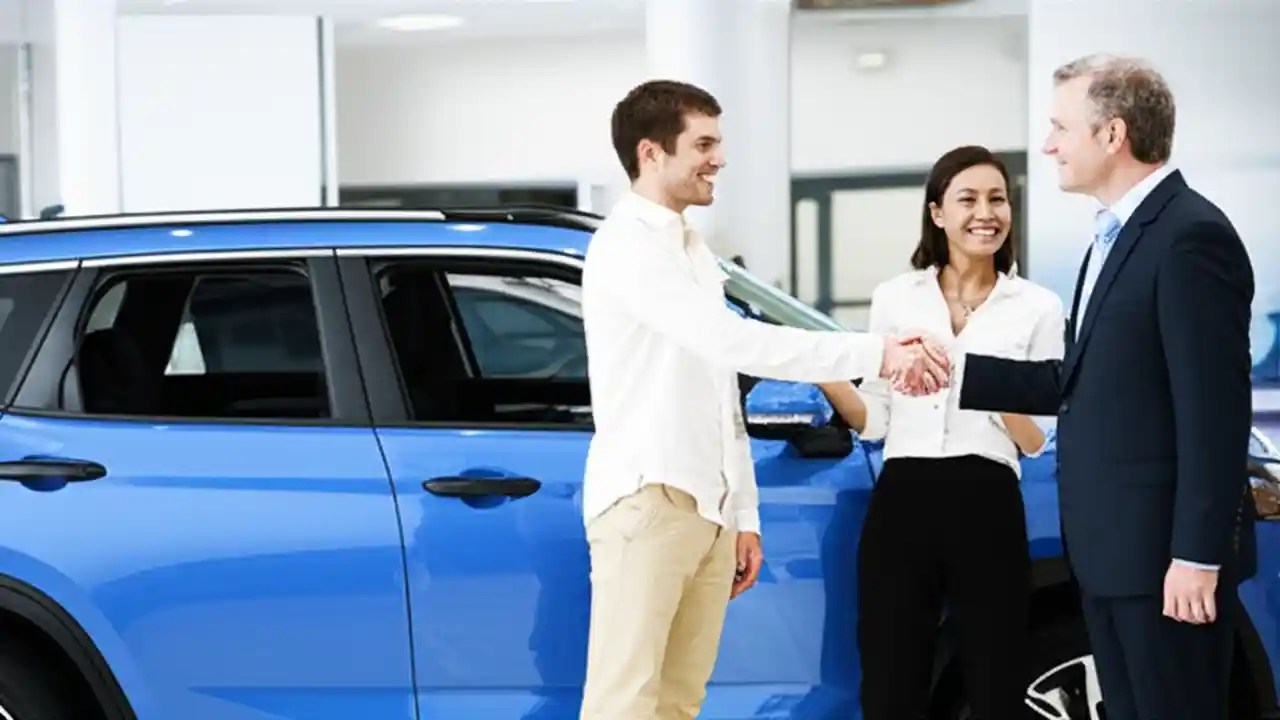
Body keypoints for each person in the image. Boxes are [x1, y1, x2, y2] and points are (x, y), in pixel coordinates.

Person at [577, 79, 948, 720]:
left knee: (677, 703)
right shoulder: (628, 248)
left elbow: (718, 394)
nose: (719, 158)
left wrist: (741, 514)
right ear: (650, 152)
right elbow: (733, 343)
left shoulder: (690, 251)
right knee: (625, 703)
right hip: (649, 500)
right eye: (704, 143)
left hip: (704, 509)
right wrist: (877, 351)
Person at [957, 54, 1256, 720]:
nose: (1048, 145)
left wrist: (1197, 556)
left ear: (1112, 134)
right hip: (1112, 558)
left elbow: (1214, 414)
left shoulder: (1189, 237)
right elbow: (1084, 379)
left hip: (1164, 569)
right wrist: (956, 372)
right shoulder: (1112, 239)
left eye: (1061, 127)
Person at [818, 145, 1063, 719]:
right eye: (968, 199)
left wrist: (979, 379)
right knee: (889, 680)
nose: (986, 212)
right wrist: (825, 373)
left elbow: (1036, 440)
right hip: (903, 498)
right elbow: (877, 420)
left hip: (988, 502)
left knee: (996, 680)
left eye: (997, 199)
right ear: (937, 214)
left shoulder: (1038, 307)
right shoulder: (895, 298)